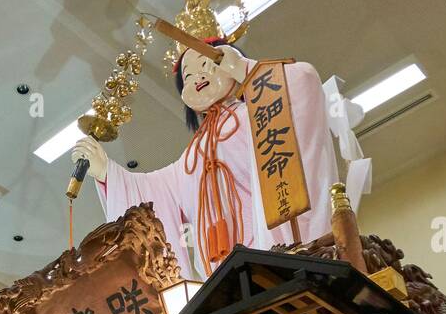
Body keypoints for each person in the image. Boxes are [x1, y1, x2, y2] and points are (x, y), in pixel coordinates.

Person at [72, 40, 352, 279]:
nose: (198, 76)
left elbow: (303, 82)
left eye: (208, 63)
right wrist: (107, 172)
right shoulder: (190, 158)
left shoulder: (260, 115)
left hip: (274, 250)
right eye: (188, 75)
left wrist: (246, 69)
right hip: (222, 272)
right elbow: (152, 200)